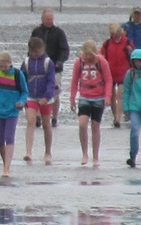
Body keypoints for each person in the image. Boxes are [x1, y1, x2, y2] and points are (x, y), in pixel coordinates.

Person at [67, 39, 110, 168]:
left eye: (91, 55)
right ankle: (85, 153)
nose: (89, 58)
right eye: (87, 55)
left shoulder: (102, 62)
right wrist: (72, 98)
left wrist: (108, 97)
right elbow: (74, 81)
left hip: (98, 97)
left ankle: (96, 156)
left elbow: (108, 80)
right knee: (82, 124)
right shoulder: (79, 63)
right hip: (84, 96)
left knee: (95, 126)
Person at [21, 37, 60, 163]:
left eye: (37, 51)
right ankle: (28, 152)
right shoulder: (26, 62)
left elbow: (51, 82)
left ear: (42, 49)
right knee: (31, 121)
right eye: (32, 51)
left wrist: (46, 97)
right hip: (30, 95)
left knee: (46, 125)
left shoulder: (48, 63)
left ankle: (48, 152)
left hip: (46, 98)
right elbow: (21, 79)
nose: (34, 54)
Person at [101, 23, 131, 128]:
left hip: (124, 73)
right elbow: (102, 59)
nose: (116, 35)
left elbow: (133, 57)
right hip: (110, 73)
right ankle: (115, 117)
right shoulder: (107, 44)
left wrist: (130, 52)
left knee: (120, 95)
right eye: (114, 33)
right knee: (112, 96)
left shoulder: (127, 42)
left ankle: (118, 118)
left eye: (118, 32)